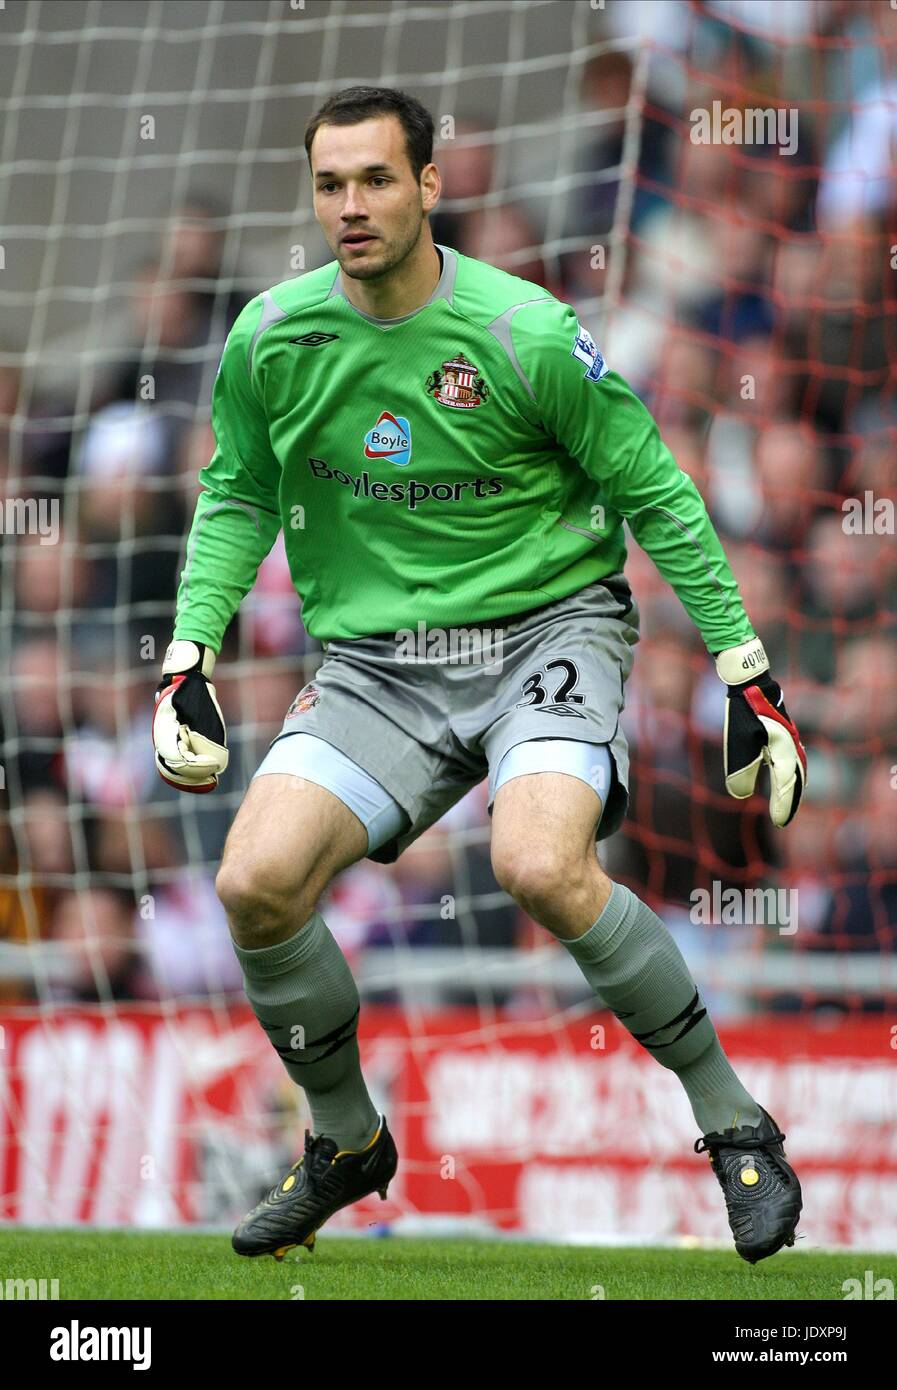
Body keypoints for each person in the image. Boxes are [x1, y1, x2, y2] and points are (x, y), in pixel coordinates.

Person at [151, 86, 807, 1264]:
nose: (351, 206)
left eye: (376, 180)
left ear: (430, 187)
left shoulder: (527, 334)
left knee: (537, 860)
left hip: (547, 635)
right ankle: (347, 1142)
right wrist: (191, 647)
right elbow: (240, 490)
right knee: (253, 879)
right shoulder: (270, 338)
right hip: (377, 666)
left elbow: (654, 486)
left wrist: (743, 669)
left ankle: (734, 1119)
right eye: (330, 185)